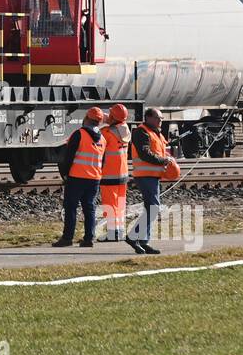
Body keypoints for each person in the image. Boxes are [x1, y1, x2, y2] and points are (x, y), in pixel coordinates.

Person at [53, 106, 105, 248]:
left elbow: (68, 157)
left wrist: (64, 174)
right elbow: (103, 161)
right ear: (99, 122)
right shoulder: (103, 138)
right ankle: (89, 238)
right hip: (94, 179)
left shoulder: (79, 134)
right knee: (89, 208)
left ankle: (67, 238)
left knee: (71, 207)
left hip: (77, 177)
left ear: (87, 118)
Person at [128, 107, 177, 254]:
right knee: (153, 208)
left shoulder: (156, 133)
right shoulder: (141, 132)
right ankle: (133, 236)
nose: (160, 120)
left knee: (152, 208)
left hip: (152, 176)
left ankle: (143, 241)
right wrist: (163, 161)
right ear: (148, 118)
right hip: (145, 176)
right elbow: (145, 153)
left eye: (161, 118)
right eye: (157, 118)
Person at [99, 104, 131, 241]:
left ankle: (112, 233)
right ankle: (120, 230)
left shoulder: (106, 133)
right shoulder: (126, 130)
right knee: (120, 203)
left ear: (113, 116)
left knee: (110, 204)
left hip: (108, 173)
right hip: (123, 173)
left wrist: (102, 120)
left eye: (110, 114)